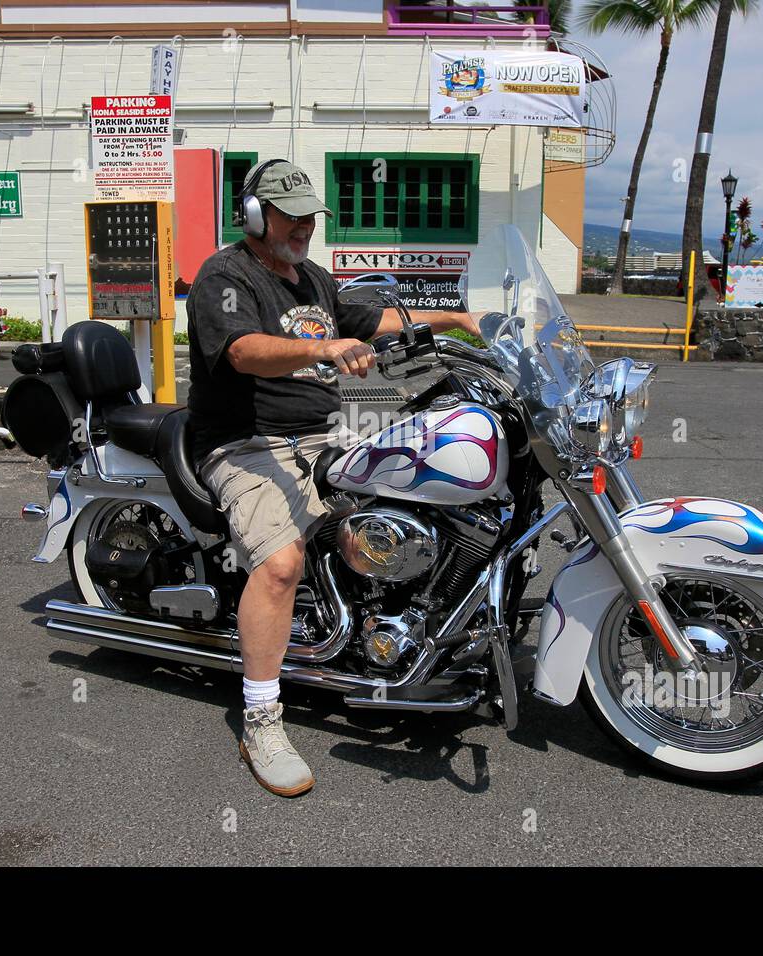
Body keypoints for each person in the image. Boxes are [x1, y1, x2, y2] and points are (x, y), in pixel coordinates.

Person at [185, 160, 482, 797]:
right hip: (246, 441)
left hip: (325, 433)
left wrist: (461, 321)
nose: (304, 226)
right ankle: (261, 719)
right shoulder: (226, 275)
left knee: (415, 480)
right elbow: (242, 350)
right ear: (256, 216)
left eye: (309, 215)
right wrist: (320, 351)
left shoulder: (312, 278)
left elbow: (368, 322)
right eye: (289, 215)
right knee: (281, 562)